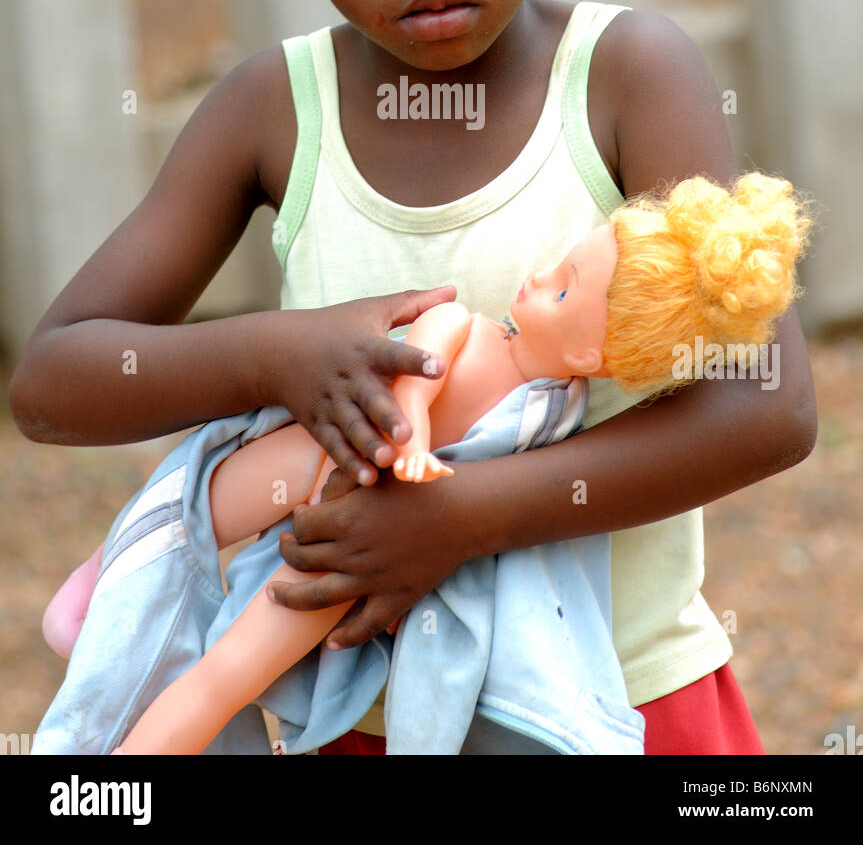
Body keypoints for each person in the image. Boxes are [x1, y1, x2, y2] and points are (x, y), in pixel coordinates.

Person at [11, 0, 818, 756]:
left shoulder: (626, 77)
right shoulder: (268, 109)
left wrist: (458, 520)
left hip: (615, 696)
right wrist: (277, 351)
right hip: (345, 709)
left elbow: (765, 403)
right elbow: (55, 376)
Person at [34, 173, 810, 757]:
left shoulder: (556, 414)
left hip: (358, 547)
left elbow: (518, 513)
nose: (540, 275)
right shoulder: (460, 322)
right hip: (321, 451)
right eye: (558, 264)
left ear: (589, 352)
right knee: (197, 506)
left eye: (565, 285)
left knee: (228, 670)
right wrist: (404, 439)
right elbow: (415, 375)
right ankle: (104, 587)